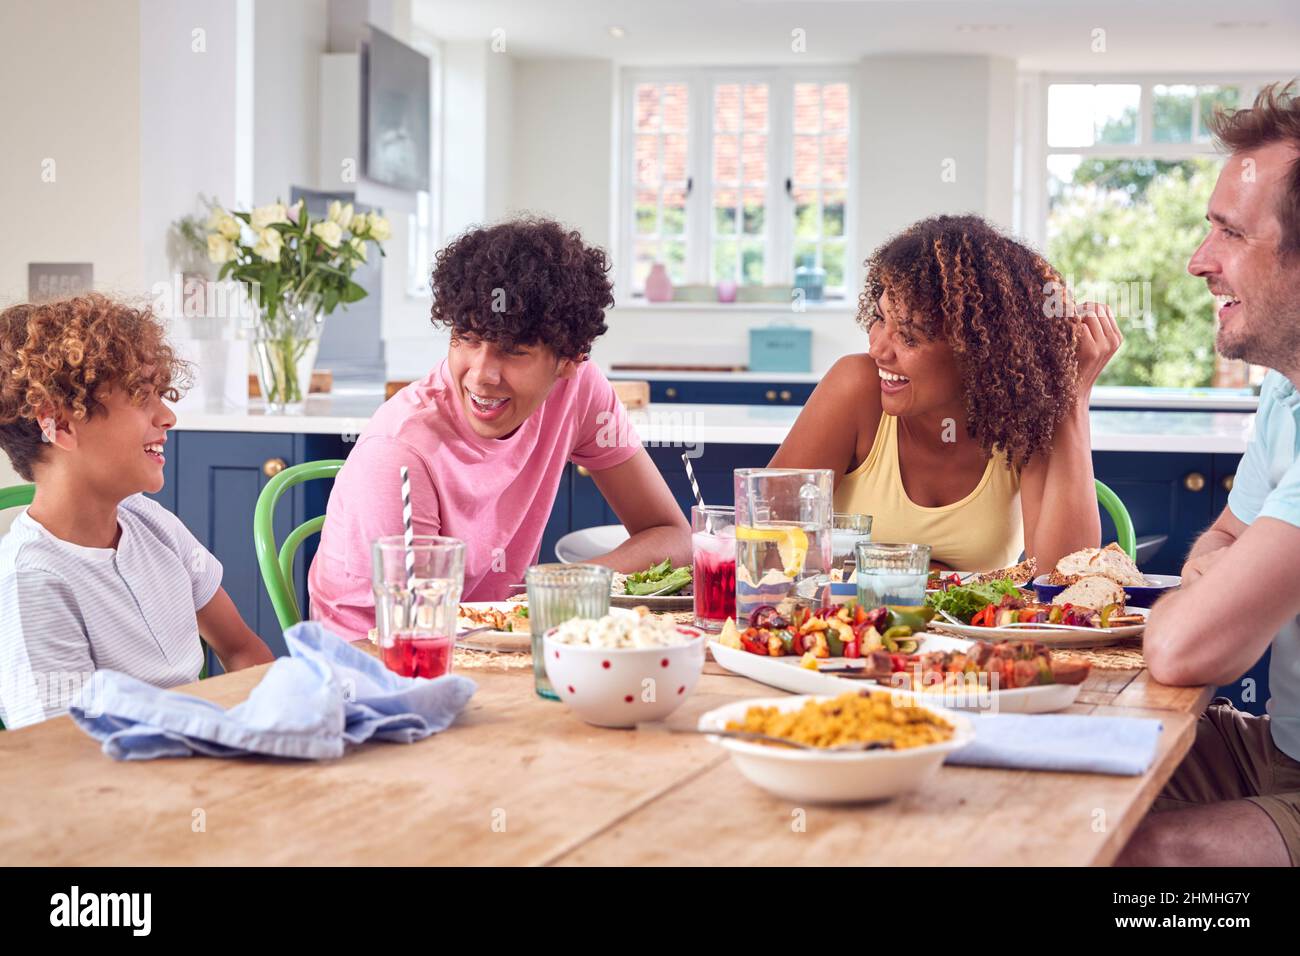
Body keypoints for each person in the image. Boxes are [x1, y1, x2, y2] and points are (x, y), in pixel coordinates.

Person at [308, 217, 691, 640]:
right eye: (467, 338)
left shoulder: (579, 391)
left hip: (494, 641)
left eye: (513, 351)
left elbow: (672, 537)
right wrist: (536, 606)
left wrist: (561, 587)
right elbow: (409, 633)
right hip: (377, 663)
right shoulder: (400, 450)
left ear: (570, 359)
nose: (482, 375)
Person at [1119, 82, 1300, 867]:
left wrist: (1205, 596)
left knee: (1141, 858)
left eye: (1229, 233)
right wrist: (1221, 573)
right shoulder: (1286, 389)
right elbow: (1226, 535)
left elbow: (1184, 648)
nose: (1200, 262)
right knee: (1031, 770)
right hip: (1279, 750)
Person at [769, 214, 1122, 572]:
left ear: (975, 352)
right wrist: (923, 572)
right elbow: (767, 543)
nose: (878, 349)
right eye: (880, 319)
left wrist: (1071, 399)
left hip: (976, 631)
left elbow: (1062, 581)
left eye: (908, 336)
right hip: (853, 627)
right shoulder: (856, 386)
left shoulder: (1020, 424)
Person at [0, 294, 274, 729]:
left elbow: (242, 649)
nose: (167, 416)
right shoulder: (35, 581)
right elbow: (63, 758)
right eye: (142, 395)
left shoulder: (152, 522)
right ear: (62, 424)